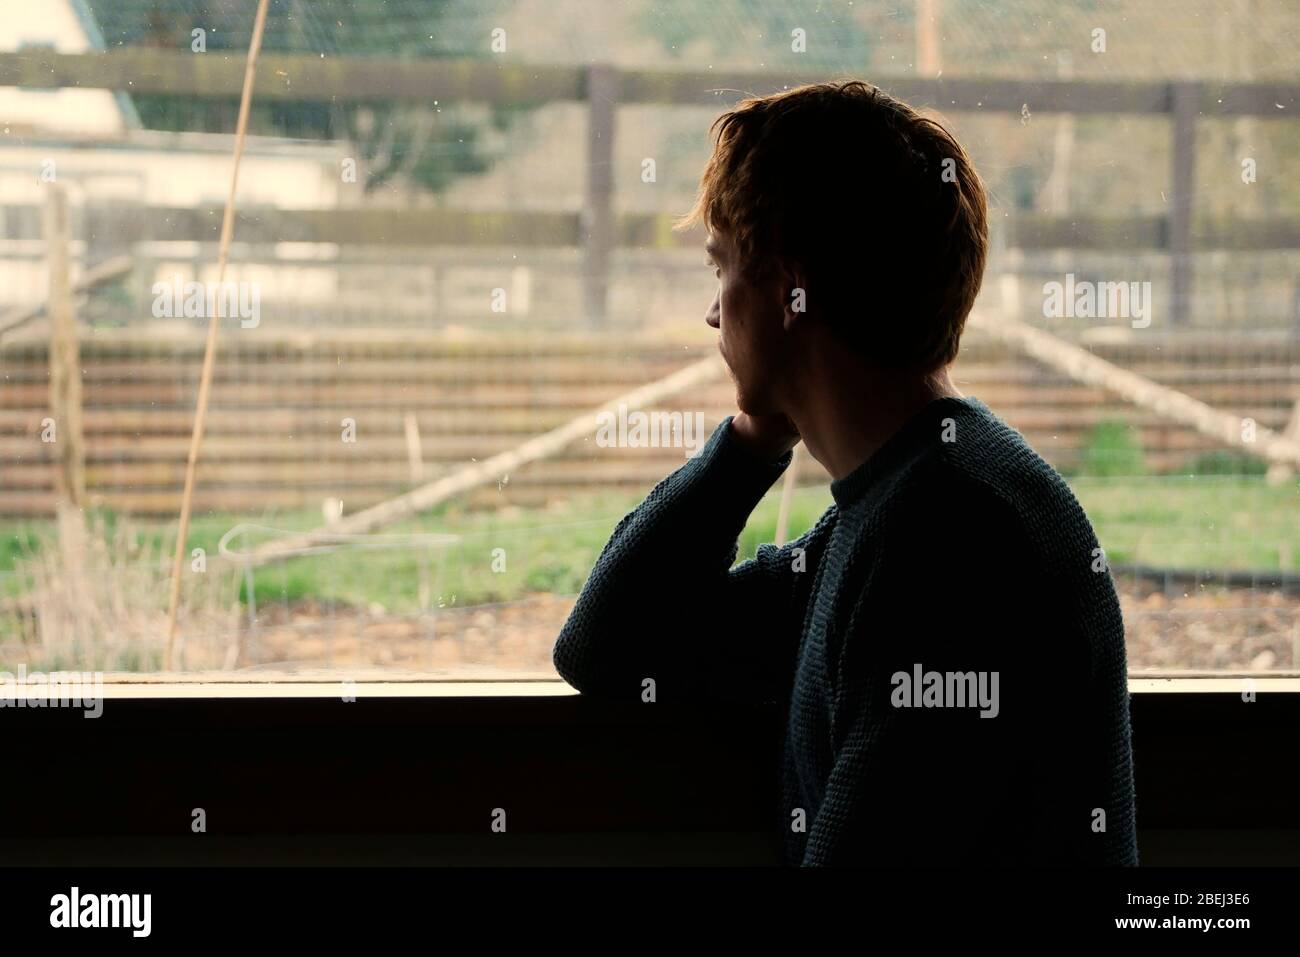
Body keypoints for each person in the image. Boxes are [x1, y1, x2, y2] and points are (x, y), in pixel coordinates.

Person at [552, 80, 1137, 867]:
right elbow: (608, 647)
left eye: (722, 268)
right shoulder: (906, 504)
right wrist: (751, 438)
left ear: (790, 292)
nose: (714, 314)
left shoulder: (948, 543)